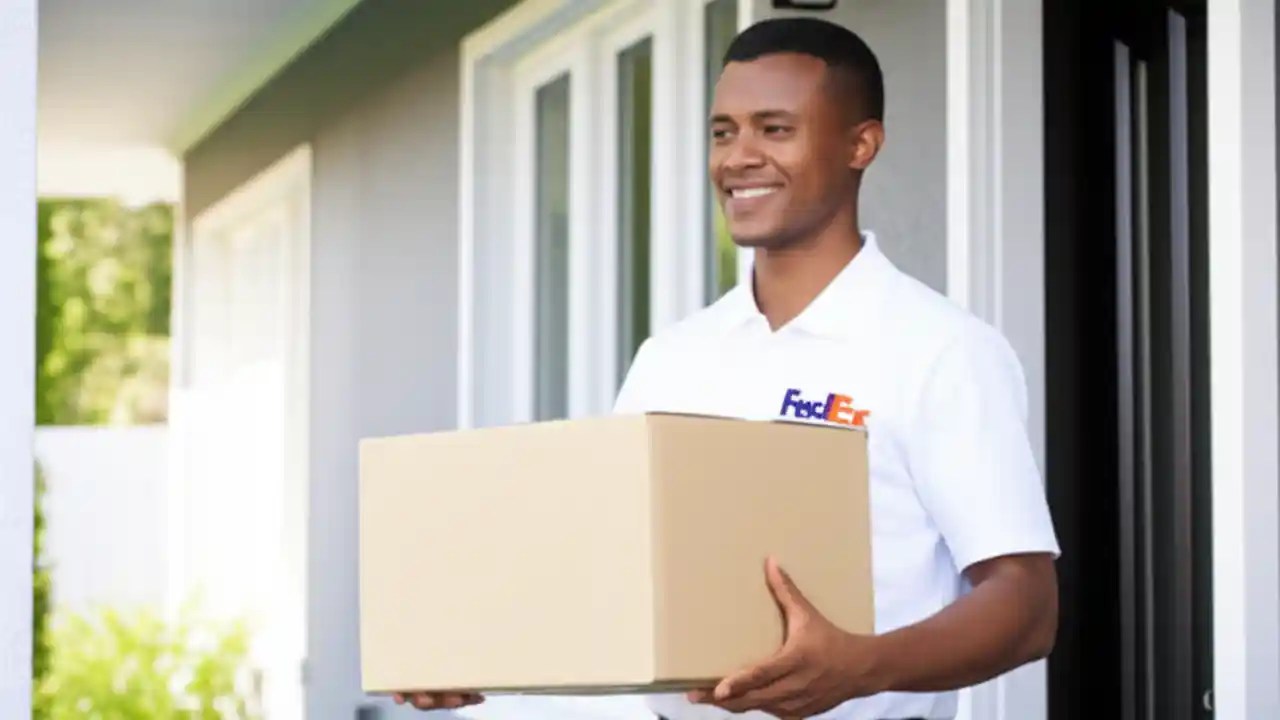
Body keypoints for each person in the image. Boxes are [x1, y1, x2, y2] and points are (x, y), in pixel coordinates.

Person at [396, 16, 1059, 720]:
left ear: (861, 144)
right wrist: (478, 661)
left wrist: (858, 667)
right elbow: (611, 585)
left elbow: (1025, 604)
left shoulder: (941, 350)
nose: (738, 157)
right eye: (723, 131)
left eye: (774, 130)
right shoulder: (673, 356)